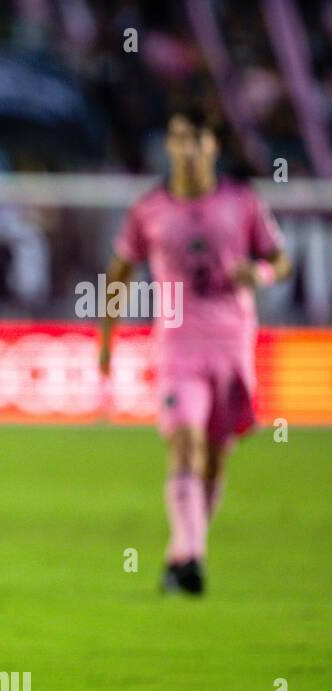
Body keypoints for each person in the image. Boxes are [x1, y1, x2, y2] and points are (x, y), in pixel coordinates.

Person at [101, 108, 290, 596]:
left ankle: (178, 557)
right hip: (177, 346)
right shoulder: (149, 208)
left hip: (232, 346)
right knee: (185, 444)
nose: (186, 148)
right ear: (168, 144)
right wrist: (107, 340)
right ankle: (193, 555)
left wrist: (262, 275)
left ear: (214, 146)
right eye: (178, 137)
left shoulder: (242, 202)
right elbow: (119, 271)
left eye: (196, 138)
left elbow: (279, 258)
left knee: (217, 458)